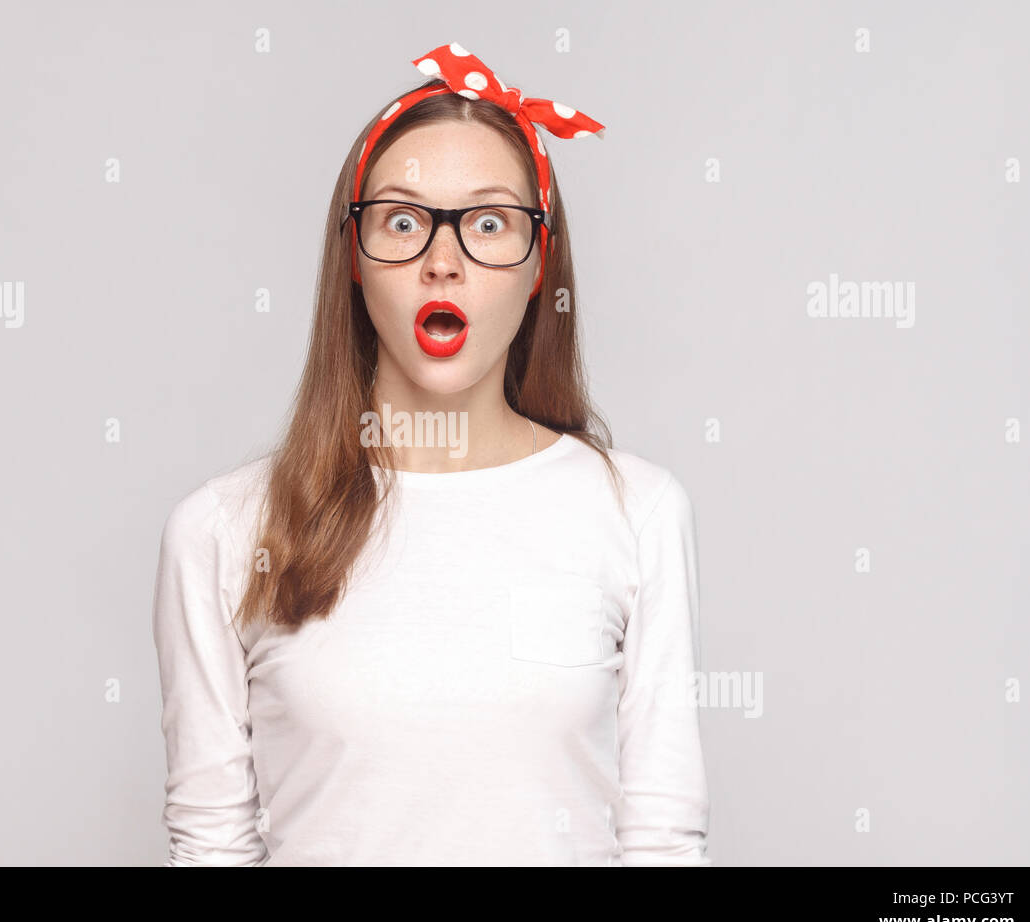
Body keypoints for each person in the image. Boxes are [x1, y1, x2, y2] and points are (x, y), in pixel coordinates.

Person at [151, 42, 712, 866]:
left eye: (490, 224)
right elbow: (211, 847)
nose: (442, 262)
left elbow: (662, 842)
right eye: (404, 222)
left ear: (536, 266)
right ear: (353, 255)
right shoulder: (221, 530)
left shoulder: (639, 511)